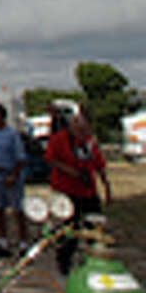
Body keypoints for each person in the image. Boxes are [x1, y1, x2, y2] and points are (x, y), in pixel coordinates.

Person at [45, 108, 111, 275]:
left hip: (87, 191)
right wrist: (69, 170)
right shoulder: (59, 139)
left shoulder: (89, 142)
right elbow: (50, 159)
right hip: (66, 190)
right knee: (69, 229)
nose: (83, 132)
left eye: (85, 129)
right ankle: (64, 263)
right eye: (79, 128)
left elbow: (99, 165)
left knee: (95, 226)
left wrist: (107, 187)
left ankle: (95, 259)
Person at [0, 102, 27, 255]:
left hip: (11, 172)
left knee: (18, 209)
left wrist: (13, 176)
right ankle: (3, 241)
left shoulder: (12, 134)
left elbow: (20, 158)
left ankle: (23, 242)